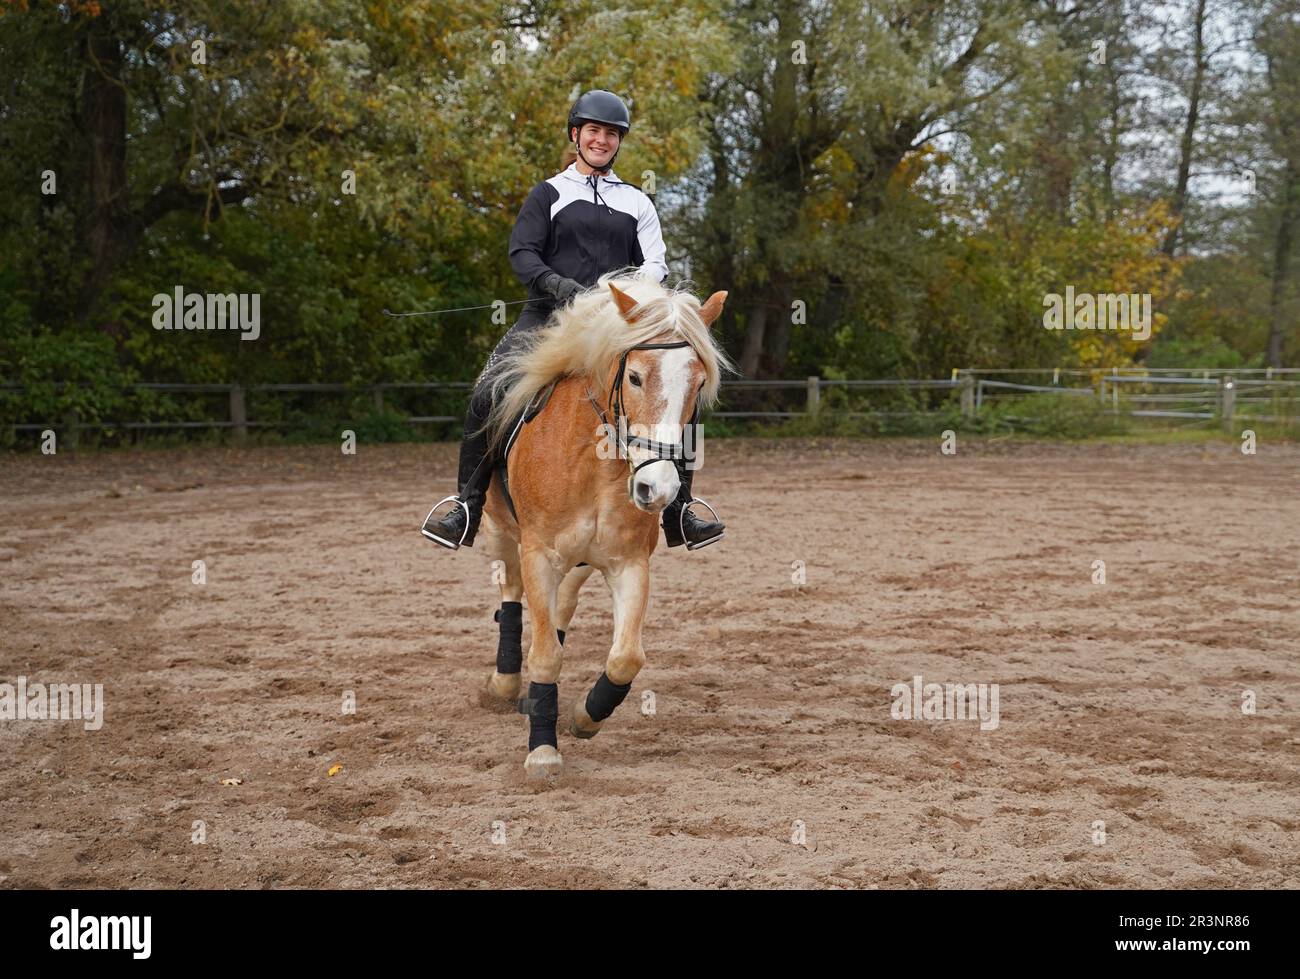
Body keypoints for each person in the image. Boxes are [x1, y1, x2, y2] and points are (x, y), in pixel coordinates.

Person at [421, 89, 725, 552]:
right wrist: (559, 286)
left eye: (611, 134)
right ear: (576, 135)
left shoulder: (637, 202)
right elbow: (522, 253)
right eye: (594, 131)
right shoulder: (550, 193)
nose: (602, 140)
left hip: (620, 322)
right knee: (490, 387)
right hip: (549, 317)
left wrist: (623, 299)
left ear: (618, 142)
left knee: (677, 386)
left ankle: (680, 508)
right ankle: (467, 503)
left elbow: (655, 265)